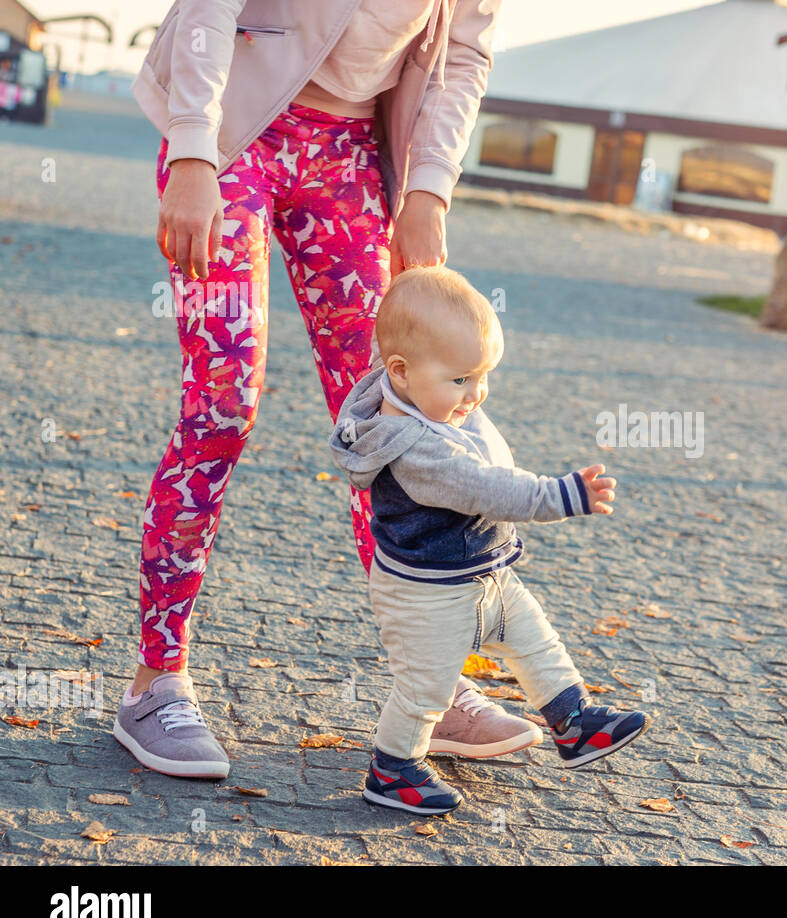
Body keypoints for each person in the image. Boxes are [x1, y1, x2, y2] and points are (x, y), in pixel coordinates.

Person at [113, 0, 534, 780]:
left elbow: (465, 52)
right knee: (222, 406)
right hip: (235, 126)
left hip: (349, 154)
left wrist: (427, 192)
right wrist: (195, 153)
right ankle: (154, 680)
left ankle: (432, 687)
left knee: (406, 417)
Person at [328, 266, 648, 814]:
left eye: (482, 377)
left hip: (484, 573)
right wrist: (562, 495)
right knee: (425, 691)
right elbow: (488, 487)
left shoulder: (423, 393)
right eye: (461, 380)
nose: (475, 394)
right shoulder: (416, 448)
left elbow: (443, 380)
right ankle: (392, 768)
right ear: (399, 373)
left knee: (536, 641)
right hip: (427, 596)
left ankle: (572, 722)